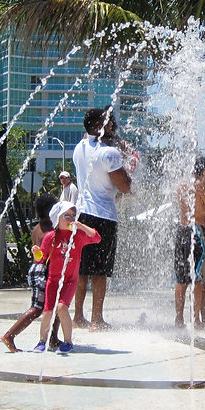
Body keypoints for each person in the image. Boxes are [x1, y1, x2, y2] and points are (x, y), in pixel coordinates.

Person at [72, 106, 134, 330]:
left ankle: (78, 316)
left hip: (82, 214)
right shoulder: (109, 153)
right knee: (100, 271)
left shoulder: (79, 148)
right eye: (107, 122)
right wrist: (128, 171)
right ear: (98, 126)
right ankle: (97, 319)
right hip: (103, 216)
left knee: (82, 269)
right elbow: (125, 186)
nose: (111, 125)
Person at [33, 201, 100, 353]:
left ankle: (68, 342)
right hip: (53, 279)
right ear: (58, 218)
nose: (70, 218)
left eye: (72, 215)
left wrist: (81, 225)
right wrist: (36, 252)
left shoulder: (78, 236)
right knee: (48, 312)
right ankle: (42, 341)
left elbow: (96, 237)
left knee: (62, 307)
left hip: (70, 280)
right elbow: (41, 258)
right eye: (66, 215)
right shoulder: (51, 236)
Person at [0, 193, 60, 352]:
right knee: (37, 309)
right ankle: (10, 335)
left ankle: (53, 337)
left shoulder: (37, 228)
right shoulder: (49, 230)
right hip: (42, 271)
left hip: (36, 270)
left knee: (55, 305)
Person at [174, 156, 205, 328]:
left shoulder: (181, 185)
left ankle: (179, 319)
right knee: (197, 278)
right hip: (196, 233)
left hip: (181, 231)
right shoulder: (201, 188)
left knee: (180, 278)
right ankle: (196, 320)